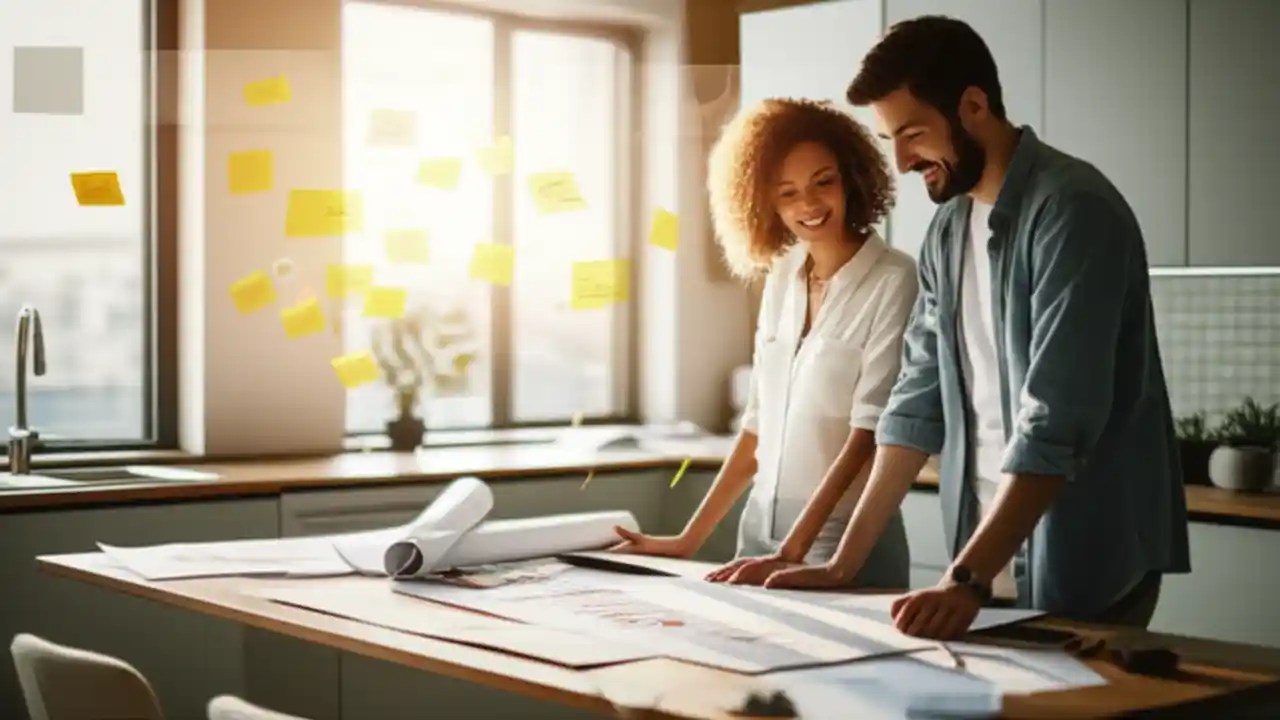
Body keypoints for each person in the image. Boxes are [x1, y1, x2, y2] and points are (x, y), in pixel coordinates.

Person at [742, 16, 1190, 639]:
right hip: (980, 566)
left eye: (913, 134)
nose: (899, 162)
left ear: (974, 106)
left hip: (1082, 560)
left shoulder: (1073, 212)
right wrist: (841, 563)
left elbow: (1057, 417)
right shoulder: (948, 232)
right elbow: (914, 403)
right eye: (889, 140)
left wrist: (967, 577)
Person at [609, 98, 918, 589]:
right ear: (765, 203)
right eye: (787, 193)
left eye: (824, 182)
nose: (809, 206)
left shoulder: (895, 279)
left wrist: (794, 551)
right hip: (758, 538)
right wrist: (689, 540)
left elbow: (868, 436)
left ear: (852, 177)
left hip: (841, 545)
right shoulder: (782, 275)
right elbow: (756, 426)